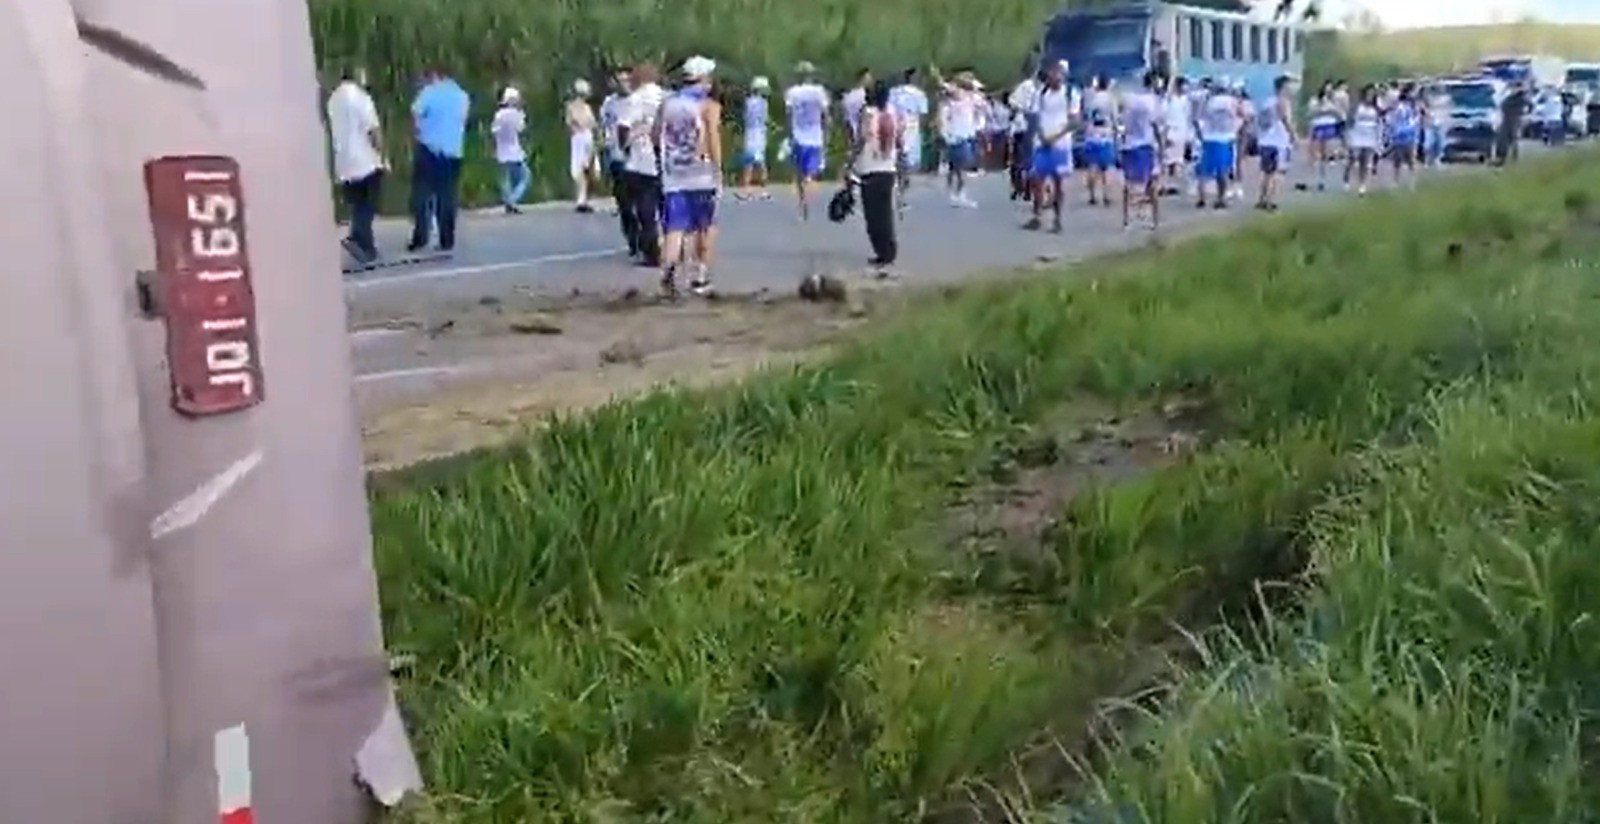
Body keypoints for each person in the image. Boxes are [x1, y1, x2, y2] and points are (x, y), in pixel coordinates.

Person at [657, 56, 723, 297]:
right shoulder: (708, 106)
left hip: (674, 174)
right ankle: (700, 276)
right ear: (703, 78)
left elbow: (656, 134)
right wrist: (718, 169)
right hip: (701, 175)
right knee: (705, 226)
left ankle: (669, 269)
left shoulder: (668, 104)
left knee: (674, 228)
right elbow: (712, 138)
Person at [326, 65, 386, 265]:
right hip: (365, 158)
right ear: (358, 75)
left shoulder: (333, 99)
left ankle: (361, 241)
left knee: (357, 203)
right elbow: (373, 130)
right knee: (367, 204)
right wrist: (383, 155)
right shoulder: (361, 98)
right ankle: (362, 243)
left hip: (343, 160)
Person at [406, 67, 470, 253]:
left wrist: (418, 132)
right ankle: (446, 239)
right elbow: (462, 122)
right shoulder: (462, 96)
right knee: (447, 196)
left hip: (429, 149)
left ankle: (421, 237)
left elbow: (415, 112)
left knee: (422, 195)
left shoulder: (430, 92)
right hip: (453, 151)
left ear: (436, 75)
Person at [618, 61, 666, 266]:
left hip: (641, 161)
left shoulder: (635, 99)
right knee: (666, 205)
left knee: (644, 208)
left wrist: (624, 146)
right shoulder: (666, 97)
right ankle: (674, 245)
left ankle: (651, 251)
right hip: (667, 159)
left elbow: (623, 127)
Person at [853, 81, 900, 274]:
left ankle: (881, 251)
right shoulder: (892, 113)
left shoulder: (867, 114)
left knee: (873, 216)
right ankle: (889, 250)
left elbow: (862, 138)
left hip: (870, 168)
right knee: (885, 213)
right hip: (888, 168)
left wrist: (850, 161)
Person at [1025, 60, 1073, 233]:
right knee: (1037, 180)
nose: (1055, 79)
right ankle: (1037, 216)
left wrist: (1055, 137)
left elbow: (1074, 121)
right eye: (1053, 75)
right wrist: (1041, 135)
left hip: (1060, 144)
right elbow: (1035, 117)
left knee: (1058, 183)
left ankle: (1057, 219)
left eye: (1059, 76)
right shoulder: (1041, 94)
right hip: (1042, 143)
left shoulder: (1070, 94)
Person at [784, 61, 830, 220]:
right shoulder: (819, 91)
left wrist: (788, 134)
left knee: (799, 171)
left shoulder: (792, 92)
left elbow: (788, 115)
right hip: (815, 136)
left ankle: (802, 200)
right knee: (811, 171)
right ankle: (807, 195)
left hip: (798, 135)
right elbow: (825, 114)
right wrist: (827, 131)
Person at [1120, 70, 1163, 231]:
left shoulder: (1130, 99)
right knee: (1151, 182)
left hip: (1129, 144)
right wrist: (1161, 145)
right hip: (1145, 144)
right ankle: (1154, 219)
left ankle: (1127, 219)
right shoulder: (1152, 101)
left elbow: (1123, 122)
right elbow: (1155, 124)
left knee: (1129, 183)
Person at [937, 70, 981, 207]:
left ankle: (954, 193)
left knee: (956, 168)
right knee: (962, 168)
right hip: (958, 137)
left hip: (962, 136)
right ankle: (960, 194)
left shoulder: (969, 99)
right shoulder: (954, 101)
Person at [889, 68, 930, 211]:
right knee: (906, 168)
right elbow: (923, 116)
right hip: (911, 132)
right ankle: (900, 198)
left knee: (894, 165)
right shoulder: (919, 94)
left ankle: (894, 196)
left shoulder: (893, 93)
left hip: (893, 130)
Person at [600, 70, 634, 242]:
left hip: (639, 158)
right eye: (620, 80)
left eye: (627, 80)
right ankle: (631, 237)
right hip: (617, 157)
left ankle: (646, 237)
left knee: (642, 202)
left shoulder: (638, 101)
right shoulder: (609, 103)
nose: (623, 84)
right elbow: (604, 127)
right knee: (624, 202)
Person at [1196, 80, 1239, 210]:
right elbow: (1243, 114)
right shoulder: (1232, 101)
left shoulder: (1209, 101)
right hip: (1225, 138)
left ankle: (1202, 198)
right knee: (1223, 171)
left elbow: (1199, 118)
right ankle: (1221, 198)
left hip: (1209, 137)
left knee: (1204, 171)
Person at [1256, 75, 1296, 210]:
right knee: (1277, 172)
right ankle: (1270, 200)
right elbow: (1286, 120)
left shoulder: (1267, 102)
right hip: (1279, 141)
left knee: (1266, 172)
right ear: (1283, 87)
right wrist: (1293, 135)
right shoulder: (1282, 102)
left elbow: (1260, 121)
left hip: (1265, 140)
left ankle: (1262, 199)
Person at [490, 87, 528, 215]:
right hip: (514, 150)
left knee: (505, 179)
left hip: (501, 150)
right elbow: (521, 129)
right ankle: (512, 200)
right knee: (525, 177)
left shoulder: (499, 115)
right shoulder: (517, 114)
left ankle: (508, 203)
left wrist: (494, 148)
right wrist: (522, 115)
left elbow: (494, 132)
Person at [1081, 75, 1118, 207]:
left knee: (1092, 166)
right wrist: (1116, 132)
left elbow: (1085, 116)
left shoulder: (1091, 98)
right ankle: (1106, 196)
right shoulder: (1110, 99)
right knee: (1106, 168)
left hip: (1091, 136)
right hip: (1105, 136)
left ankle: (1092, 195)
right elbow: (1114, 117)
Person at [1008, 70, 1042, 201]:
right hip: (1027, 123)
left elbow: (1013, 102)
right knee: (1024, 158)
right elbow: (1013, 102)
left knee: (1023, 159)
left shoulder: (1031, 87)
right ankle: (1022, 187)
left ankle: (1023, 188)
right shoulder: (1029, 86)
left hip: (1027, 123)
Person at [566, 79, 599, 213]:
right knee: (584, 168)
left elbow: (571, 123)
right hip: (582, 138)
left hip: (582, 137)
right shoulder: (579, 107)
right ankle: (582, 199)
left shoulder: (579, 107)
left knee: (585, 168)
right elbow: (591, 124)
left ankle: (583, 198)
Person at [737, 76, 772, 199]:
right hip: (760, 134)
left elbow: (745, 118)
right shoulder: (764, 103)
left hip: (751, 134)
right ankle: (763, 190)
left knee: (748, 163)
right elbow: (765, 120)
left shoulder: (749, 102)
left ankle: (747, 190)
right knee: (760, 163)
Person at [1161, 77, 1194, 197]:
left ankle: (1173, 185)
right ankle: (1164, 185)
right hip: (1171, 131)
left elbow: (1188, 118)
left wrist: (1189, 136)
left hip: (1182, 132)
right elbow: (1164, 116)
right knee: (1166, 160)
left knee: (1178, 160)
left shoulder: (1186, 101)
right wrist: (1164, 133)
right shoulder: (1169, 99)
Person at [1346, 85, 1381, 196]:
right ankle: (1347, 176)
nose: (1370, 97)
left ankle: (1362, 184)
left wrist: (1378, 138)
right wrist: (1349, 136)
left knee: (1365, 161)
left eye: (1372, 94)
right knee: (1354, 157)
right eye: (1368, 94)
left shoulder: (1375, 109)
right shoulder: (1358, 107)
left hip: (1370, 135)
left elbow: (1378, 123)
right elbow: (1350, 121)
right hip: (1357, 134)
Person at [1306, 82, 1340, 191]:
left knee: (1327, 153)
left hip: (1329, 126)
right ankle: (1317, 178)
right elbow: (1310, 113)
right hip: (1318, 126)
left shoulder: (1333, 101)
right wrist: (1321, 109)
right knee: (1317, 153)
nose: (1329, 92)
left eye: (1331, 90)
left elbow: (1338, 113)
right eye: (1327, 90)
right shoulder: (1315, 101)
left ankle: (1324, 178)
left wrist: (1332, 111)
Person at [840, 68, 872, 179]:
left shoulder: (848, 96)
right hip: (861, 130)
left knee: (853, 155)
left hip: (851, 129)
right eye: (868, 78)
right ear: (862, 79)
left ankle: (848, 172)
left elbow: (844, 117)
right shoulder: (864, 96)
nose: (870, 80)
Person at [1386, 86, 1420, 189]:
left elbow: (1391, 121)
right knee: (1405, 160)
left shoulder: (1409, 108)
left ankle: (1403, 181)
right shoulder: (1401, 108)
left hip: (1405, 136)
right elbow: (1392, 121)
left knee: (1404, 160)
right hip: (1403, 136)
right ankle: (1406, 181)